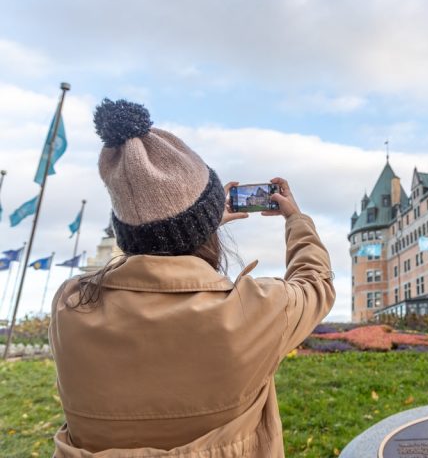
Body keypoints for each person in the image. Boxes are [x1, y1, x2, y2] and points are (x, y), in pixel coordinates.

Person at [49, 99, 335, 457]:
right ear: (205, 229)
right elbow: (315, 282)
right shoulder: (254, 311)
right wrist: (296, 219)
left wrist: (197, 223)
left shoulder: (70, 307)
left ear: (125, 231)